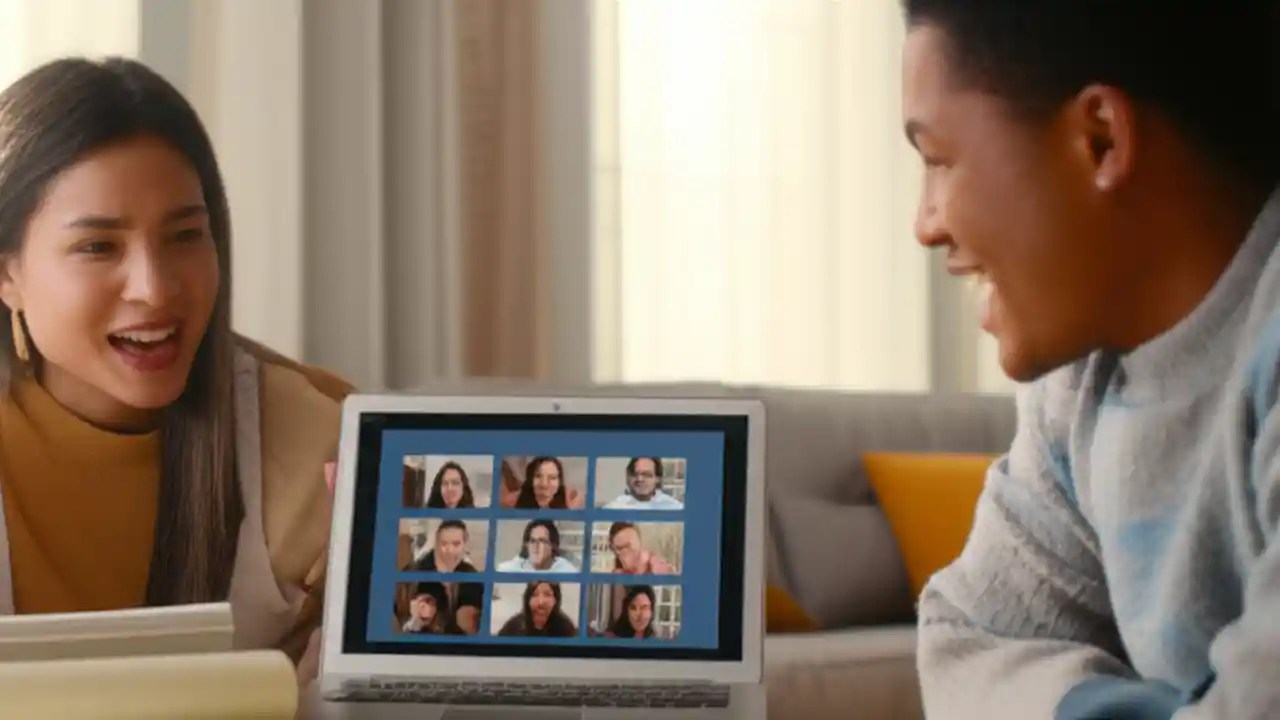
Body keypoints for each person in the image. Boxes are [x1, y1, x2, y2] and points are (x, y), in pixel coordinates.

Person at [900, 2, 1280, 718]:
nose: (926, 224)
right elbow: (965, 635)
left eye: (938, 160)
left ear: (1101, 138)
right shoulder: (1076, 396)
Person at [0, 57, 351, 681]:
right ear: (7, 273)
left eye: (186, 235)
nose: (155, 290)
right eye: (98, 246)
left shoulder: (320, 440)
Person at [408, 521, 482, 634]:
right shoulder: (414, 574)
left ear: (464, 545)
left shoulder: (473, 577)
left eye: (456, 544)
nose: (450, 550)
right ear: (436, 544)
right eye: (444, 544)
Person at [496, 581, 577, 638]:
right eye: (535, 595)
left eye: (548, 595)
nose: (541, 602)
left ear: (556, 600)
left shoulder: (566, 629)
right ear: (527, 600)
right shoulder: (513, 627)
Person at [496, 519, 578, 573]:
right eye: (532, 541)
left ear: (553, 546)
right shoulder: (509, 569)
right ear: (526, 545)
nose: (536, 546)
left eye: (541, 541)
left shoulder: (567, 570)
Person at [603, 457, 683, 510]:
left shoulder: (674, 508)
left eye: (646, 475)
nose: (639, 479)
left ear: (657, 479)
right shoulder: (615, 507)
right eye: (635, 474)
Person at [607, 522, 675, 575]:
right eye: (621, 549)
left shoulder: (655, 565)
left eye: (629, 546)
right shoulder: (616, 577)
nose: (628, 554)